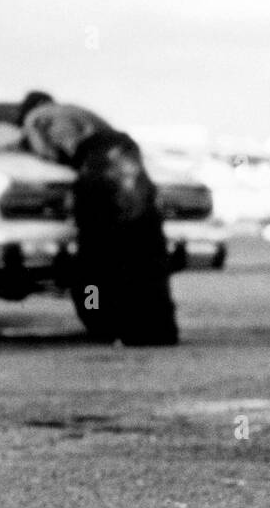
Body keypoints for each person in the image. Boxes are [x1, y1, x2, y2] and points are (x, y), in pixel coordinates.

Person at [18, 90, 180, 346]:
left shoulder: (35, 118)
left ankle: (101, 322)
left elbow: (48, 154)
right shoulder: (78, 108)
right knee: (147, 253)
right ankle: (159, 330)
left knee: (94, 264)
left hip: (98, 173)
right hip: (128, 160)